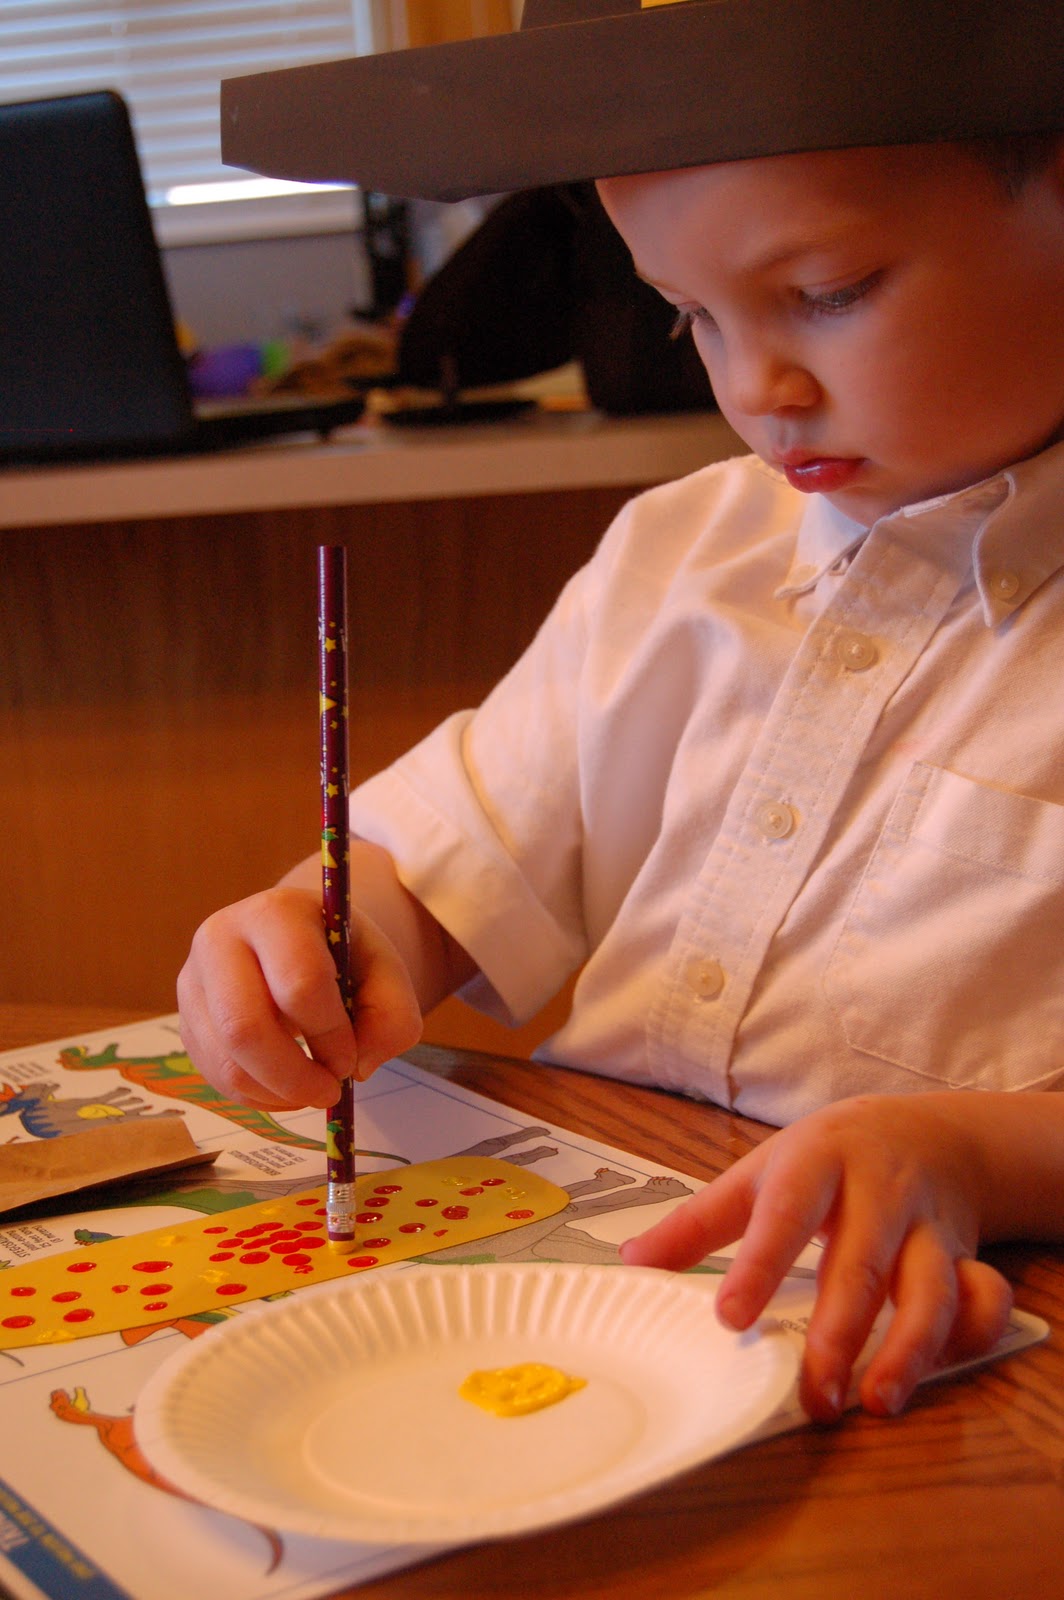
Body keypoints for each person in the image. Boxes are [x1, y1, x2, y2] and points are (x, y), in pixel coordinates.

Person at [179, 3, 1064, 1424]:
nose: (754, 390)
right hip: (599, 1304)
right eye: (690, 314)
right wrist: (328, 927)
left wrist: (969, 1151)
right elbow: (450, 866)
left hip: (942, 1350)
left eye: (828, 290)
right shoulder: (680, 555)